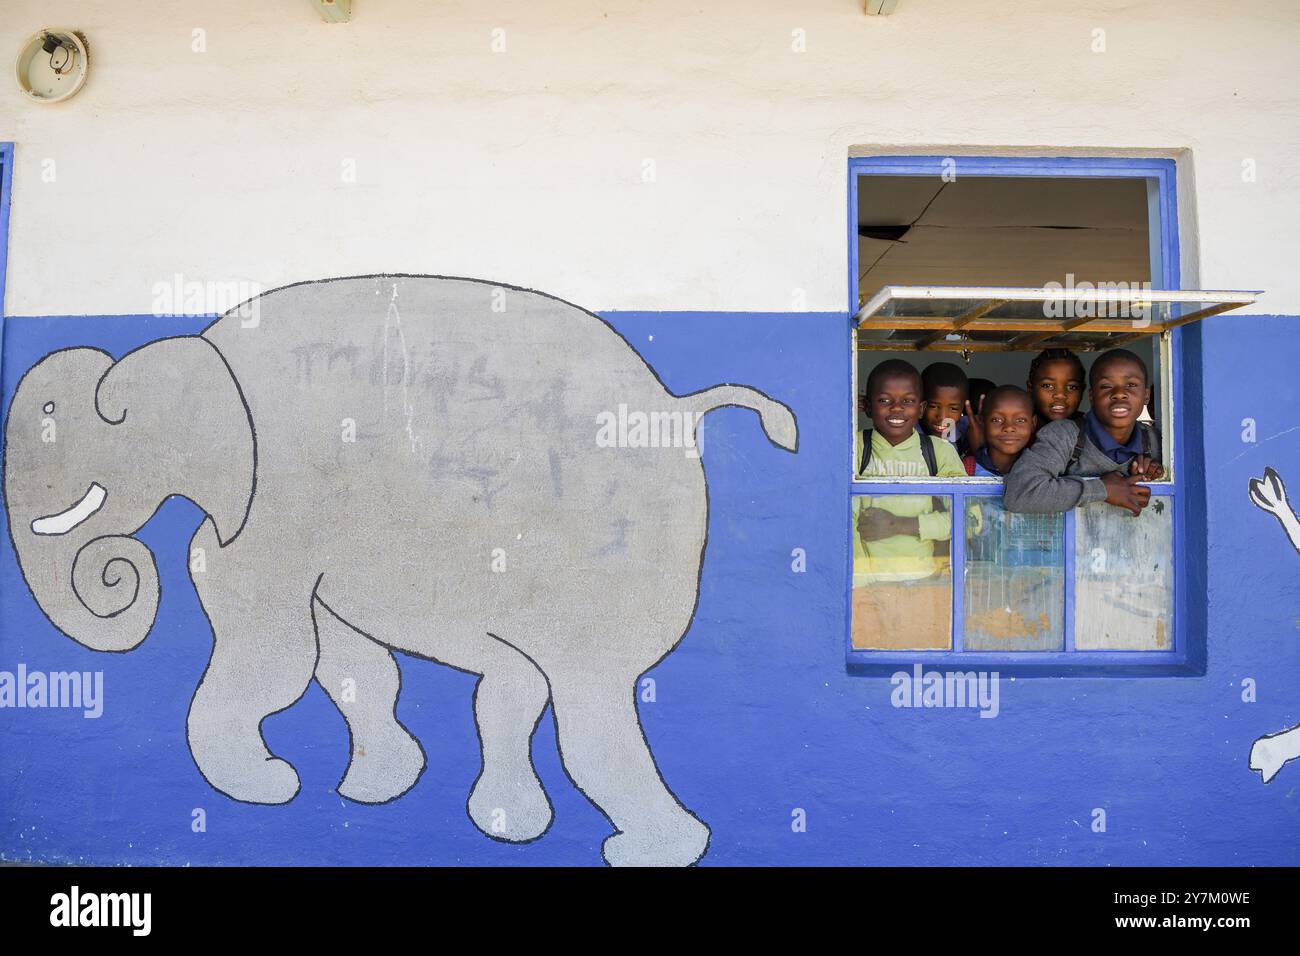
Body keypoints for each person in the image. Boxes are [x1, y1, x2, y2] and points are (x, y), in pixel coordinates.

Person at [853, 360, 967, 650]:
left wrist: (901, 525)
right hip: (867, 586)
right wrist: (861, 585)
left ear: (921, 407)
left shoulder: (938, 452)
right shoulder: (856, 448)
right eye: (884, 400)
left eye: (908, 401)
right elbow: (846, 526)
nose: (897, 409)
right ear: (867, 406)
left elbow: (968, 518)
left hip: (925, 583)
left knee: (920, 658)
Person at [1003, 348, 1163, 515]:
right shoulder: (1064, 435)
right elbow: (1019, 494)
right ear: (1092, 397)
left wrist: (1156, 472)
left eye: (1131, 385)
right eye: (1106, 386)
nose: (1119, 394)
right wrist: (1102, 489)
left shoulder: (1155, 441)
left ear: (1146, 395)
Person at [972, 385, 1036, 477]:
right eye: (997, 420)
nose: (1009, 427)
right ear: (982, 421)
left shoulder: (1041, 470)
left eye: (1020, 420)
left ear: (1033, 423)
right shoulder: (964, 469)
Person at [1026, 348, 1085, 426]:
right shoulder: (1016, 428)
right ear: (1030, 388)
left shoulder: (1090, 427)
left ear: (1082, 390)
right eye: (1048, 386)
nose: (1060, 395)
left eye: (1071, 387)